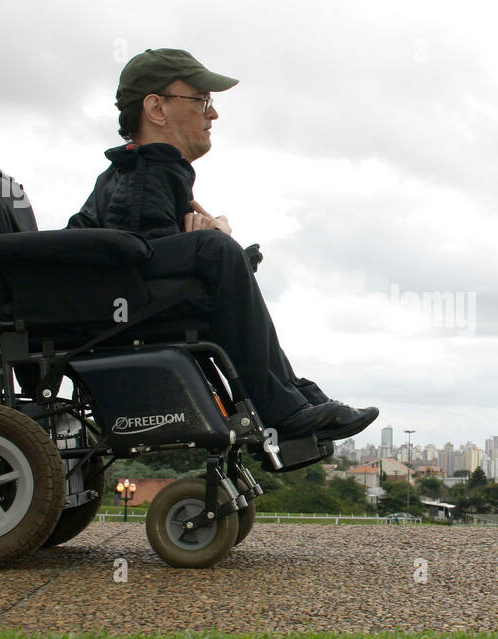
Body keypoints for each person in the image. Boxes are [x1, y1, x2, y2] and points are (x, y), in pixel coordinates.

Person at [68, 48, 377, 442]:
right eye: (201, 101)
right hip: (114, 311)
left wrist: (199, 246)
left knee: (228, 256)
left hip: (117, 299)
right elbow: (133, 256)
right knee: (221, 252)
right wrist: (208, 244)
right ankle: (283, 407)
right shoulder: (146, 171)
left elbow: (139, 246)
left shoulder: (145, 171)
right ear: (156, 109)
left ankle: (297, 396)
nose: (211, 114)